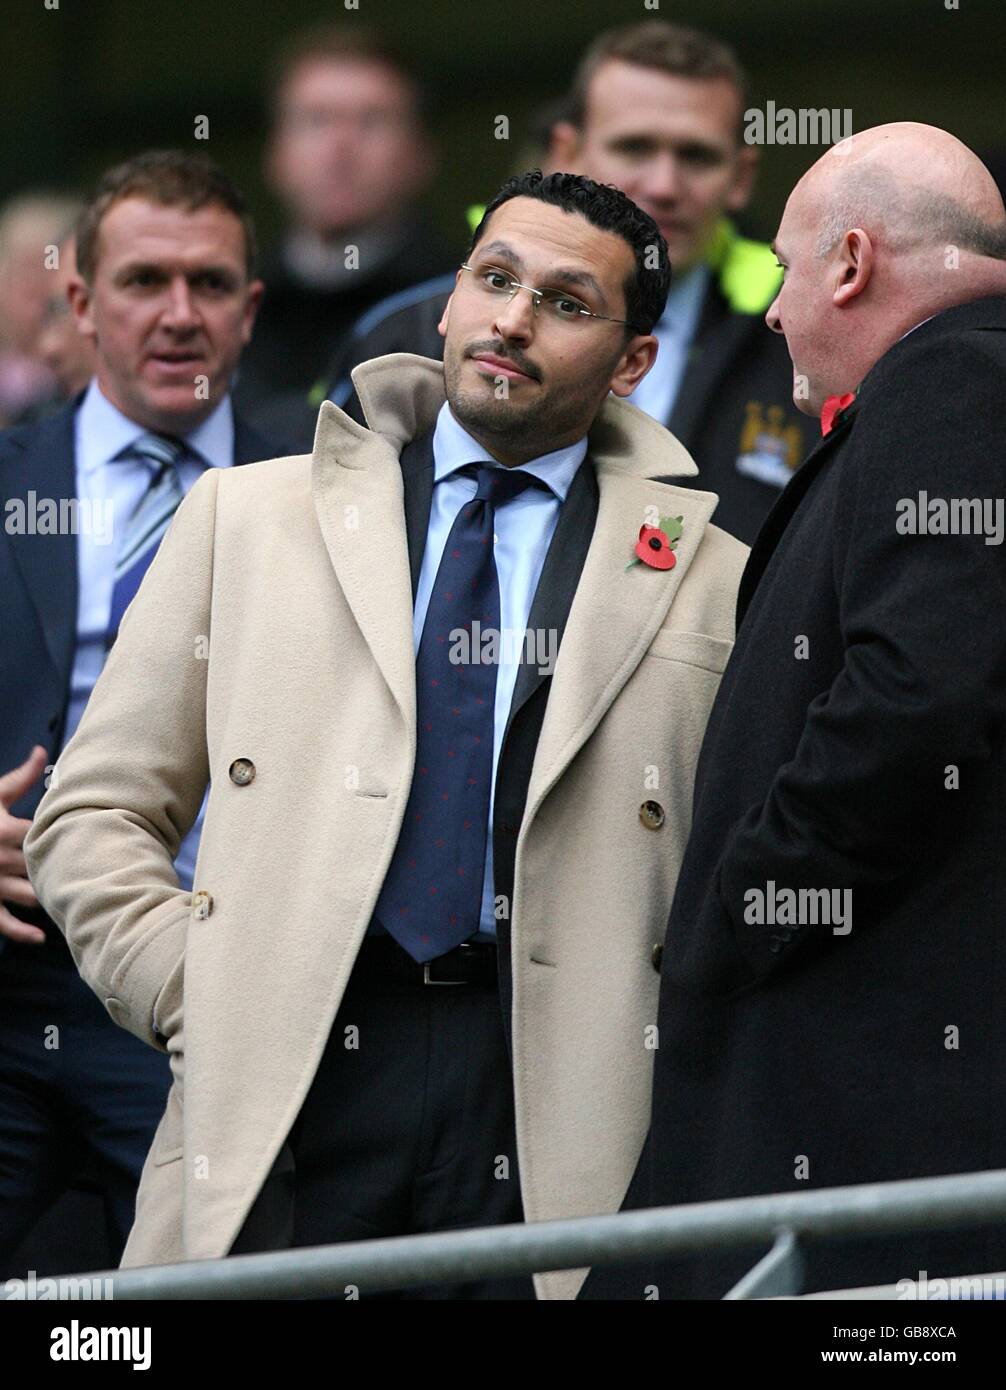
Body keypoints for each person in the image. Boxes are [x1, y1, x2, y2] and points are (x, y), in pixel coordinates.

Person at [25, 170, 747, 1299]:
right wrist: (198, 988)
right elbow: (96, 809)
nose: (512, 318)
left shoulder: (715, 577)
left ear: (634, 361)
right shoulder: (249, 515)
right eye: (493, 279)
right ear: (449, 303)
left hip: (552, 1094)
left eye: (565, 302)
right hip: (290, 1068)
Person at [582, 123, 1006, 1300]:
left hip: (865, 1116)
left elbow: (916, 700)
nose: (769, 311)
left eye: (781, 269)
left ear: (853, 261)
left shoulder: (957, 376)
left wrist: (735, 909)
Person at [0, 149, 285, 1271]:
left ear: (251, 309)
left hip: (216, 981)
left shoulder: (328, 496)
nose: (179, 317)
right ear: (78, 301)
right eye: (142, 282)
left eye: (210, 285)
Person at [286, 20, 815, 544]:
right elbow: (311, 521)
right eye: (633, 148)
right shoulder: (412, 328)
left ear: (741, 177)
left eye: (696, 156)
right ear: (566, 152)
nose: (663, 184)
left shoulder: (800, 343)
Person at [232, 23, 456, 408]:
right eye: (317, 120)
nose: (340, 148)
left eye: (371, 121)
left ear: (420, 155)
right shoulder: (228, 305)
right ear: (276, 155)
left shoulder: (457, 305)